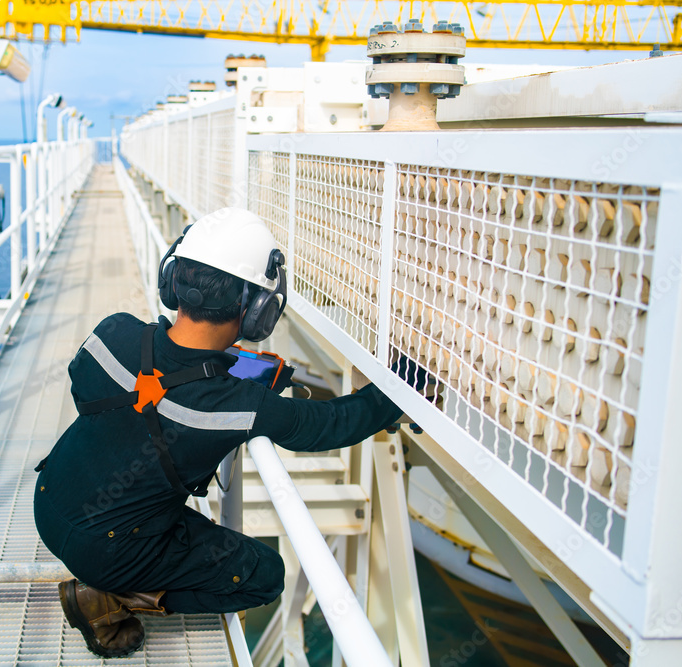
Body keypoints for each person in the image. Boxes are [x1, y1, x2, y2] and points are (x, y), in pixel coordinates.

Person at [33, 207, 411, 658]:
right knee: (264, 575)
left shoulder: (112, 333)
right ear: (256, 313)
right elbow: (329, 424)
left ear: (172, 281)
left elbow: (84, 387)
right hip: (108, 555)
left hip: (49, 500)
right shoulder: (238, 405)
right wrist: (399, 390)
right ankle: (107, 596)